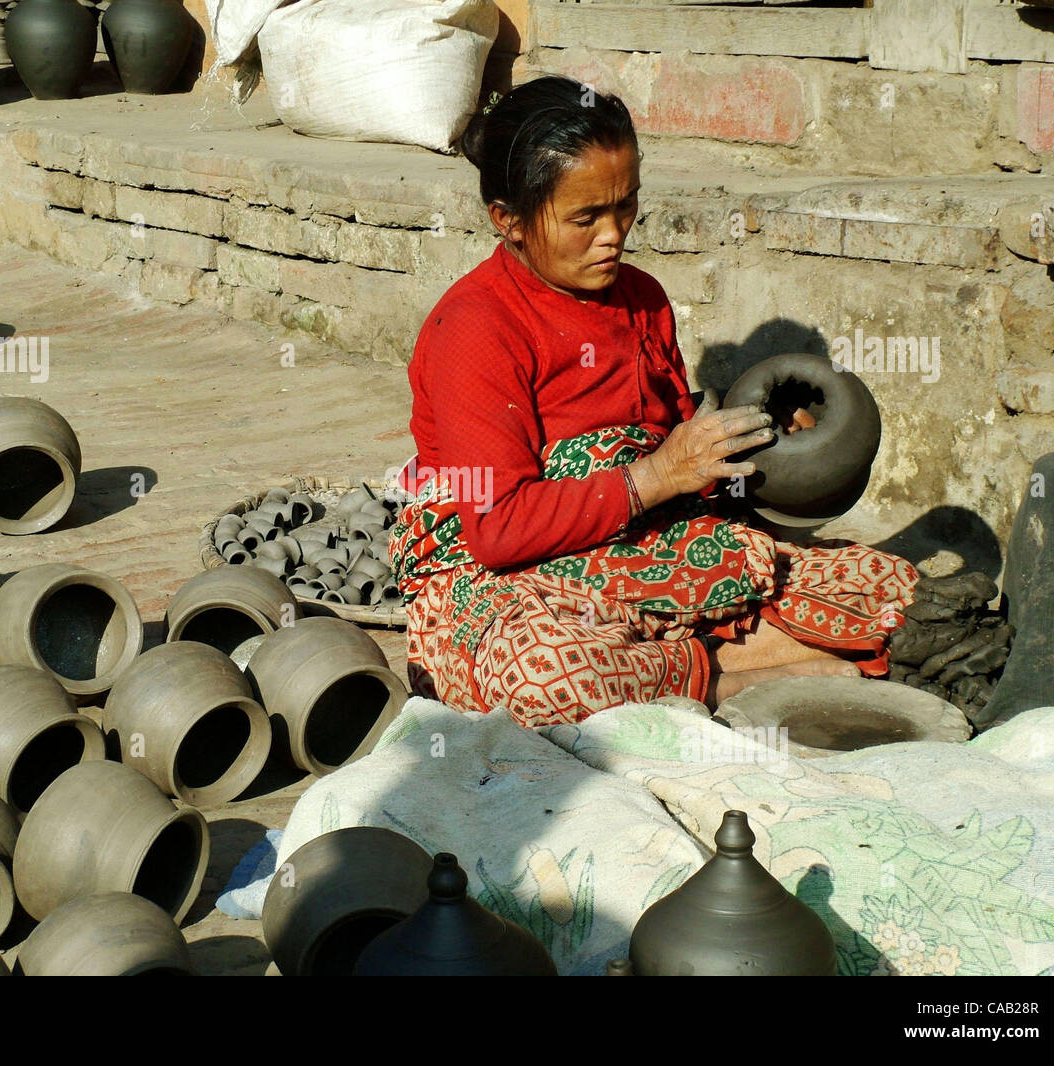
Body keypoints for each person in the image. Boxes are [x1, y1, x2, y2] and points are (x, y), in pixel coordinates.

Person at [387, 76, 920, 729]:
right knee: (541, 672)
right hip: (511, 582)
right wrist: (657, 475)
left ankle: (704, 655)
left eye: (626, 206)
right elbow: (500, 530)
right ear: (509, 220)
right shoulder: (475, 329)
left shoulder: (641, 298)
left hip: (645, 555)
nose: (613, 235)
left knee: (895, 594)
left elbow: (682, 465)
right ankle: (737, 674)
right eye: (585, 218)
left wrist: (762, 449)